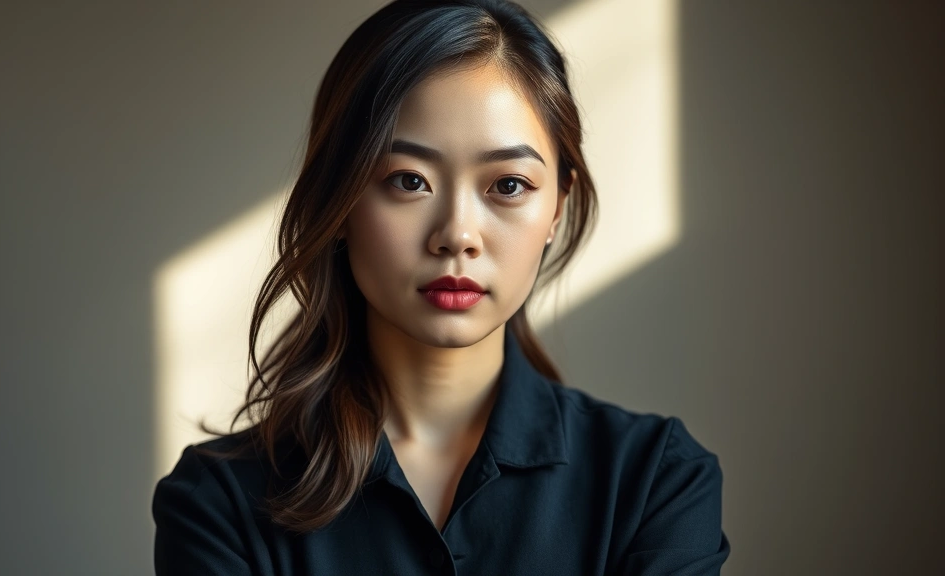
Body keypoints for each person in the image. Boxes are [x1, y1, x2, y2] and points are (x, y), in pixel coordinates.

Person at [152, 0, 730, 574]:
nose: (457, 235)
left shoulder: (658, 481)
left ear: (558, 207)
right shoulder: (217, 501)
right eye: (409, 180)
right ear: (342, 201)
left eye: (507, 184)